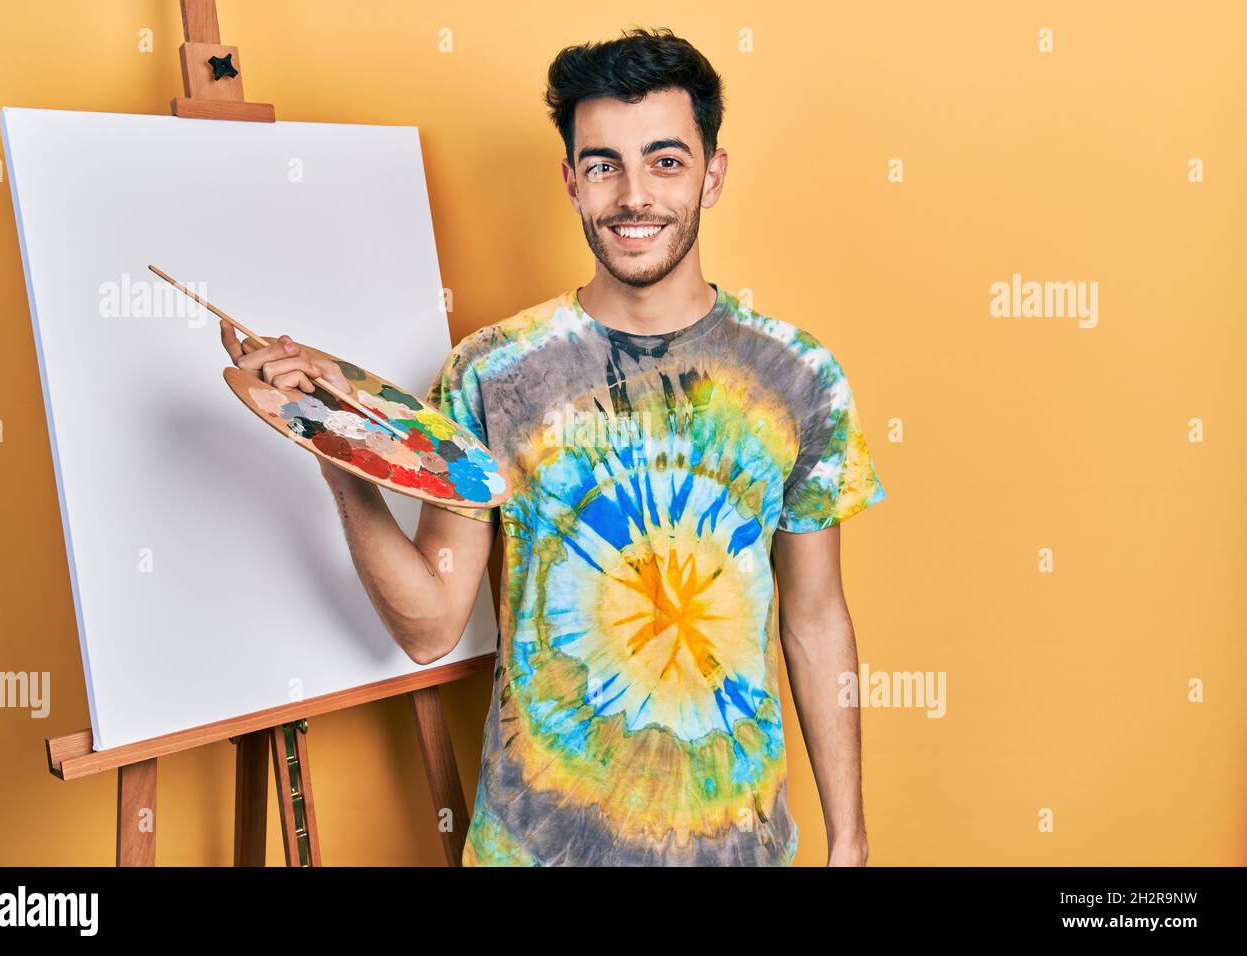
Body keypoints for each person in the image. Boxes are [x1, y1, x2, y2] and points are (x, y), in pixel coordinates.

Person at [221, 26, 886, 867]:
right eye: (604, 164)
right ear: (571, 180)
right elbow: (430, 624)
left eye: (666, 161)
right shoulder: (493, 374)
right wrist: (332, 444)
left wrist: (851, 842)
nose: (633, 194)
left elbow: (817, 619)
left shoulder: (798, 376)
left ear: (713, 176)